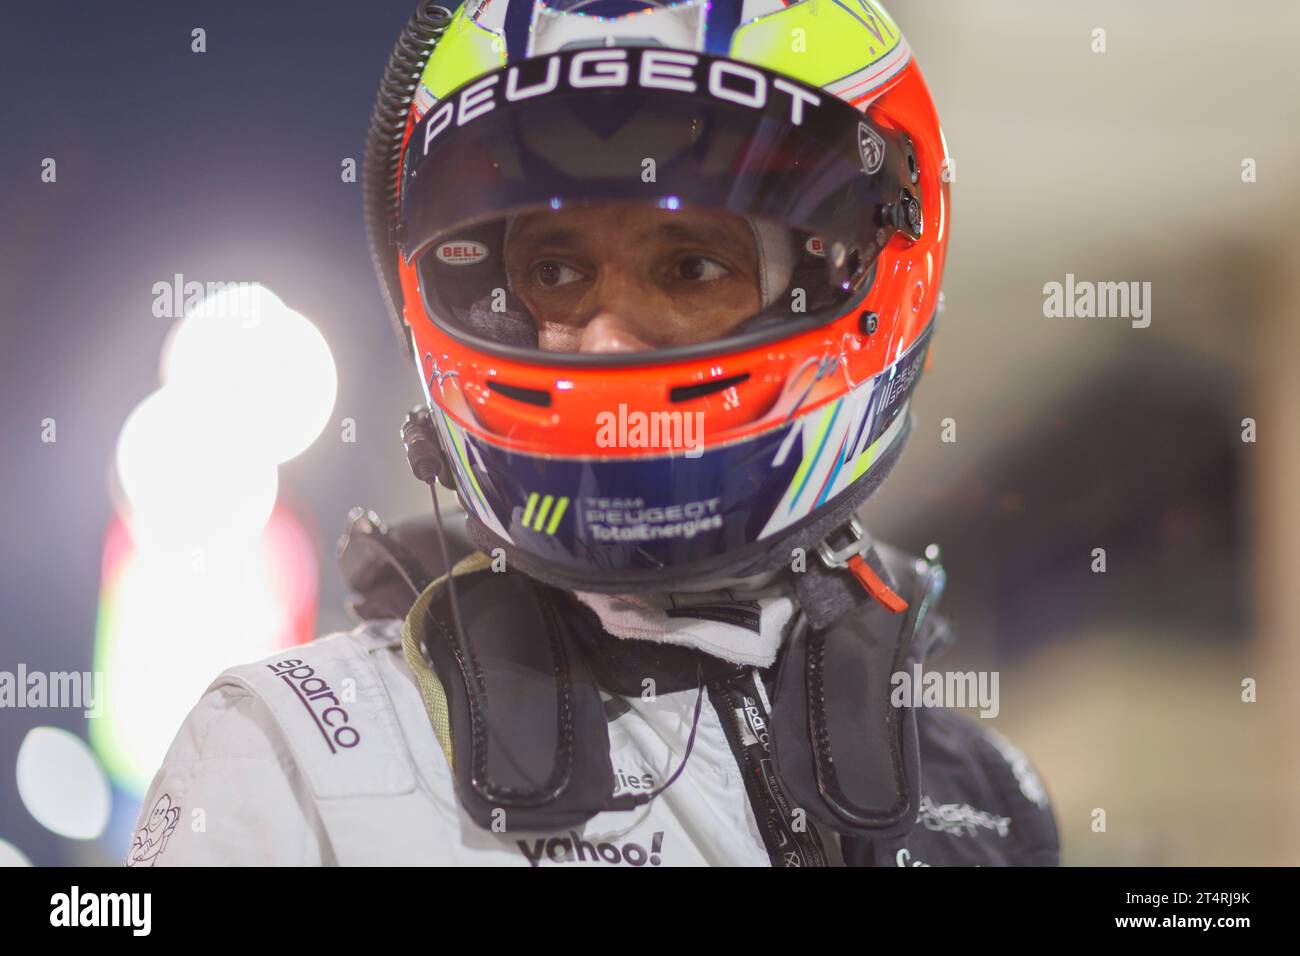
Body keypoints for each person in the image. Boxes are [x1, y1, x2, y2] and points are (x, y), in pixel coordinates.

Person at [128, 0, 1059, 867]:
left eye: (691, 267)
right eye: (557, 271)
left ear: (849, 273)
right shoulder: (297, 752)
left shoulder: (985, 799)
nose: (606, 337)